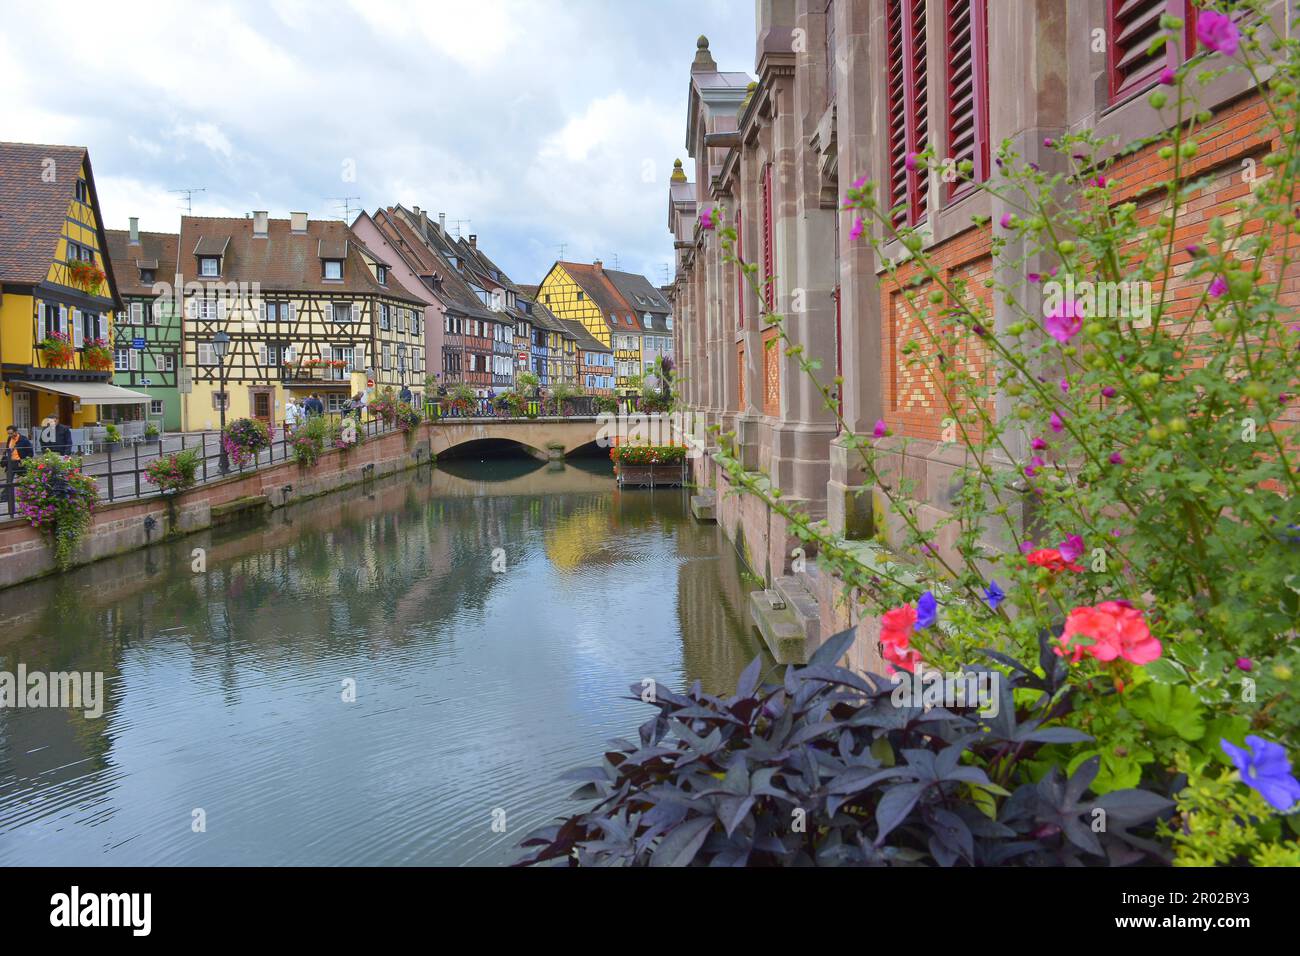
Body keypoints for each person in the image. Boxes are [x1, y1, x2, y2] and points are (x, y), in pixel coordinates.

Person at [4, 425, 34, 511]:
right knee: (8, 482)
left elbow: (30, 452)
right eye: (8, 434)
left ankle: (28, 498)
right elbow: (7, 450)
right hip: (11, 463)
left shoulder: (24, 439)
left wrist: (25, 461)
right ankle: (6, 501)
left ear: (16, 432)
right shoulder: (9, 439)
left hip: (20, 463)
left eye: (11, 433)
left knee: (25, 482)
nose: (10, 435)